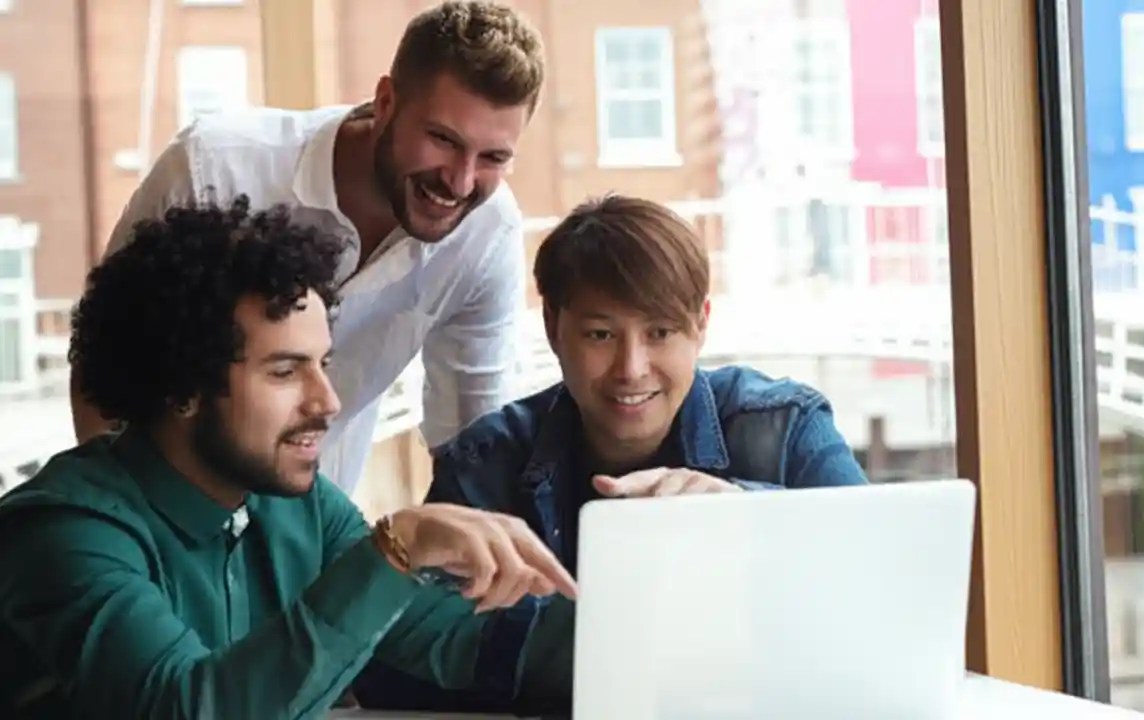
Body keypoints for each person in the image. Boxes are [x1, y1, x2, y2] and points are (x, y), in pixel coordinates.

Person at [0, 199, 576, 719]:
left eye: (322, 364)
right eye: (284, 372)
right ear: (182, 386)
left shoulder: (297, 507)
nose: (327, 402)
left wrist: (624, 601)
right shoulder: (63, 532)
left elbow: (463, 639)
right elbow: (187, 707)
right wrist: (395, 550)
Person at [353, 194, 869, 711]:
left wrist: (747, 517)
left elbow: (878, 590)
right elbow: (387, 666)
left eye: (659, 333)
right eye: (600, 335)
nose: (631, 369)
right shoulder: (487, 461)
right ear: (553, 327)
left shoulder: (786, 426)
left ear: (701, 325)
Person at [71, 0, 544, 494]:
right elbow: (104, 367)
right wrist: (134, 519)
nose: (461, 181)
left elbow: (472, 441)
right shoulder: (214, 167)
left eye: (493, 157)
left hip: (319, 515)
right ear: (386, 103)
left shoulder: (487, 232)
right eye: (443, 139)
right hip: (166, 507)